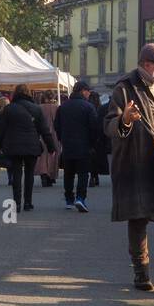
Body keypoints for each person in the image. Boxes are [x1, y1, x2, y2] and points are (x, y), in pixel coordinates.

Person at [105, 43, 154, 297]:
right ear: (147, 65)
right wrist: (125, 119)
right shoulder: (124, 89)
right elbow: (109, 126)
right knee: (139, 218)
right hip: (138, 163)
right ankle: (142, 271)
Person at [0, 83, 57, 212]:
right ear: (28, 93)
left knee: (16, 173)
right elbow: (44, 130)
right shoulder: (36, 109)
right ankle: (28, 202)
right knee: (29, 174)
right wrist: (51, 147)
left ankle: (17, 203)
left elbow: (0, 129)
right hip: (32, 145)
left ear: (15, 93)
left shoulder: (9, 109)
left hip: (14, 145)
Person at [55, 81, 100, 212]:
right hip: (84, 145)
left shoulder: (63, 107)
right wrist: (92, 143)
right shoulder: (88, 107)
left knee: (68, 174)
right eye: (88, 90)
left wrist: (62, 138)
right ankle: (80, 198)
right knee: (83, 174)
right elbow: (94, 127)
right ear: (82, 91)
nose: (89, 93)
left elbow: (57, 126)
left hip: (67, 145)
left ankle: (69, 199)